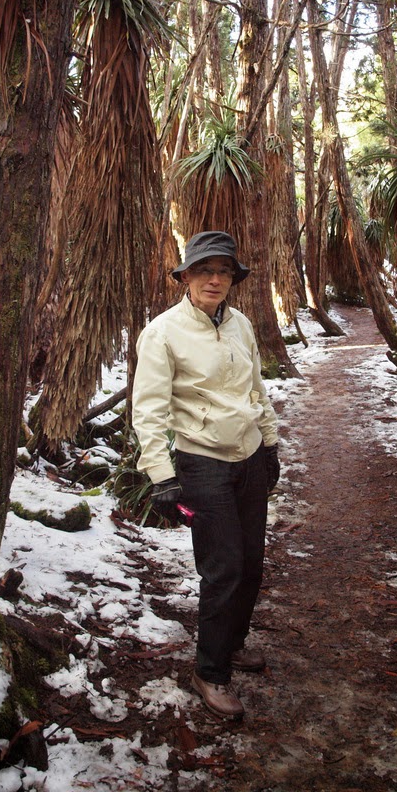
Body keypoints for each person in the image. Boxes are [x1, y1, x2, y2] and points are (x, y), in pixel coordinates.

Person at [131, 231, 280, 720]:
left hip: (249, 457)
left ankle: (233, 644)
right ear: (186, 277)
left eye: (223, 271)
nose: (215, 279)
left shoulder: (239, 325)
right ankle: (210, 673)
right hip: (203, 463)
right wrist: (161, 475)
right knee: (224, 569)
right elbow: (148, 411)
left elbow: (257, 387)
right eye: (204, 270)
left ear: (233, 279)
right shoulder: (163, 332)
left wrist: (271, 442)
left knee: (253, 563)